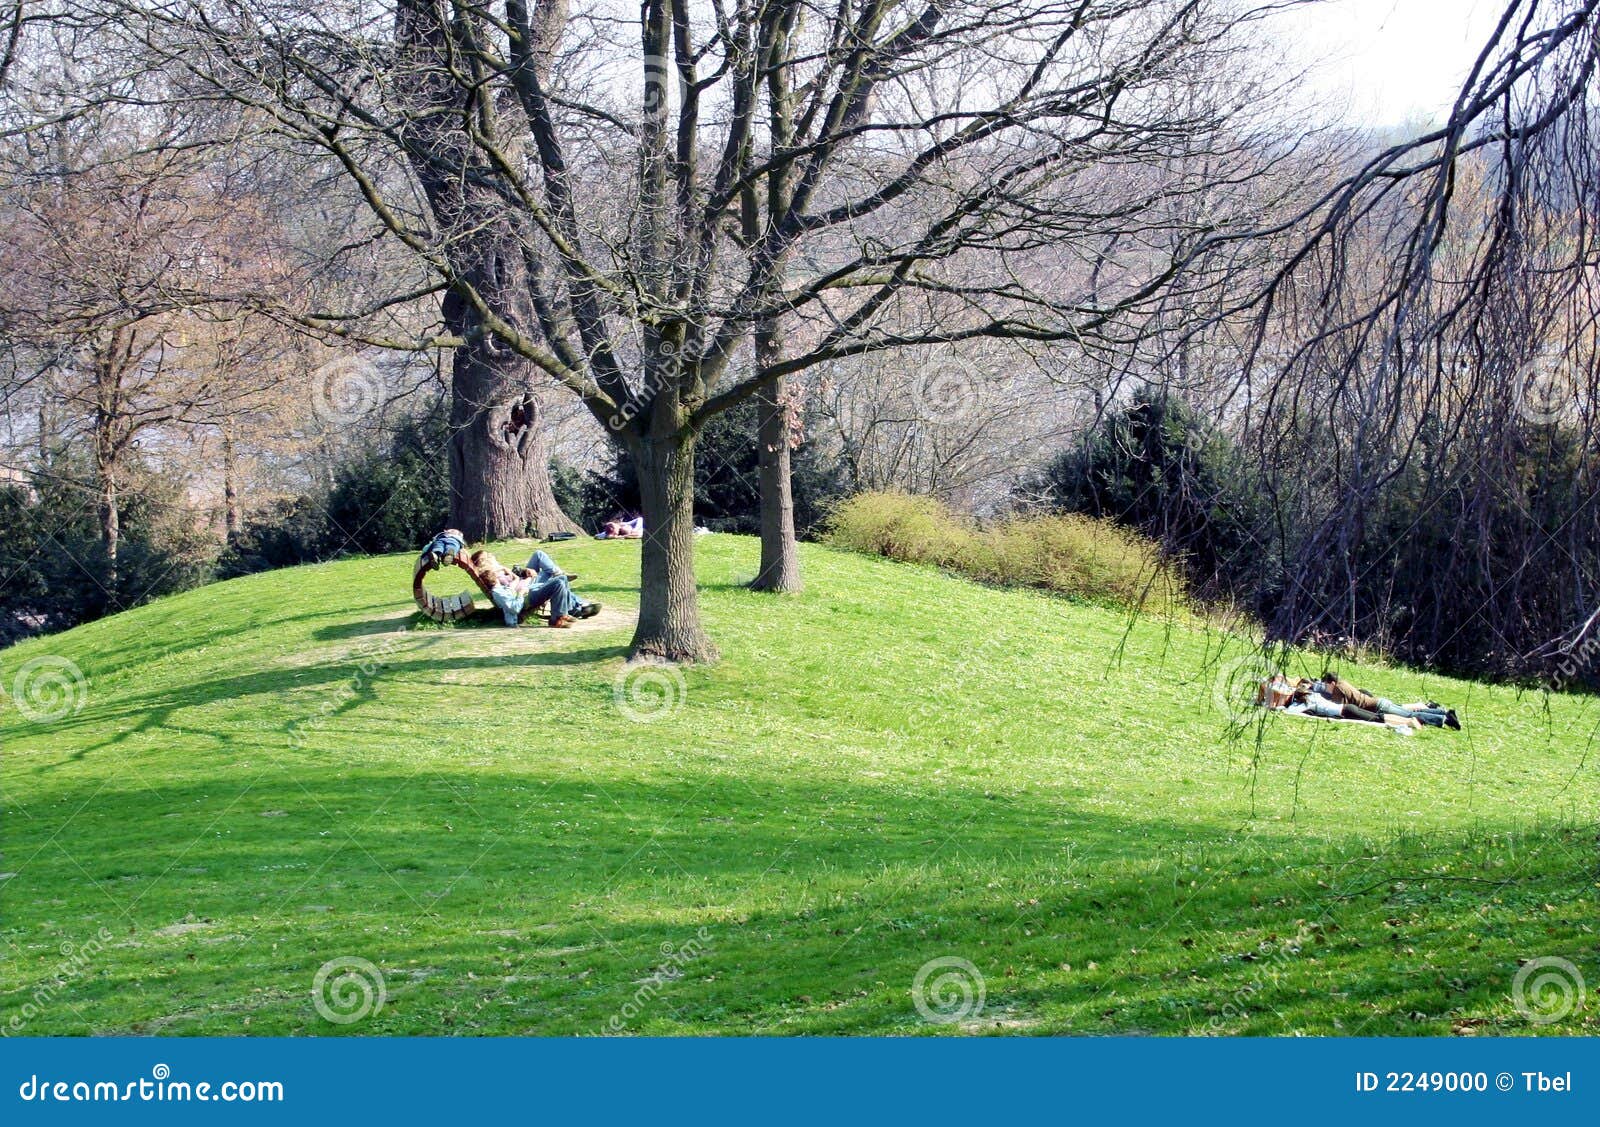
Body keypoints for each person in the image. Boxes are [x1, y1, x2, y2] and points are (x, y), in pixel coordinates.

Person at [470, 549, 600, 628]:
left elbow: (515, 578)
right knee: (559, 581)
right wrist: (521, 581)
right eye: (488, 556)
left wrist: (523, 572)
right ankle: (568, 612)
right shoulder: (491, 576)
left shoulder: (498, 569)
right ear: (483, 562)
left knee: (539, 555)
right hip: (526, 590)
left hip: (525, 582)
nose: (492, 556)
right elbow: (510, 591)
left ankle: (560, 578)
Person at [1323, 671, 1459, 729]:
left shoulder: (1338, 689)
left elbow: (1339, 708)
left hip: (1380, 707)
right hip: (1381, 703)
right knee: (1409, 713)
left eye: (1326, 685)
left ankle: (1444, 719)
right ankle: (1443, 713)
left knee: (1410, 715)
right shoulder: (1342, 683)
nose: (1326, 688)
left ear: (1332, 683)